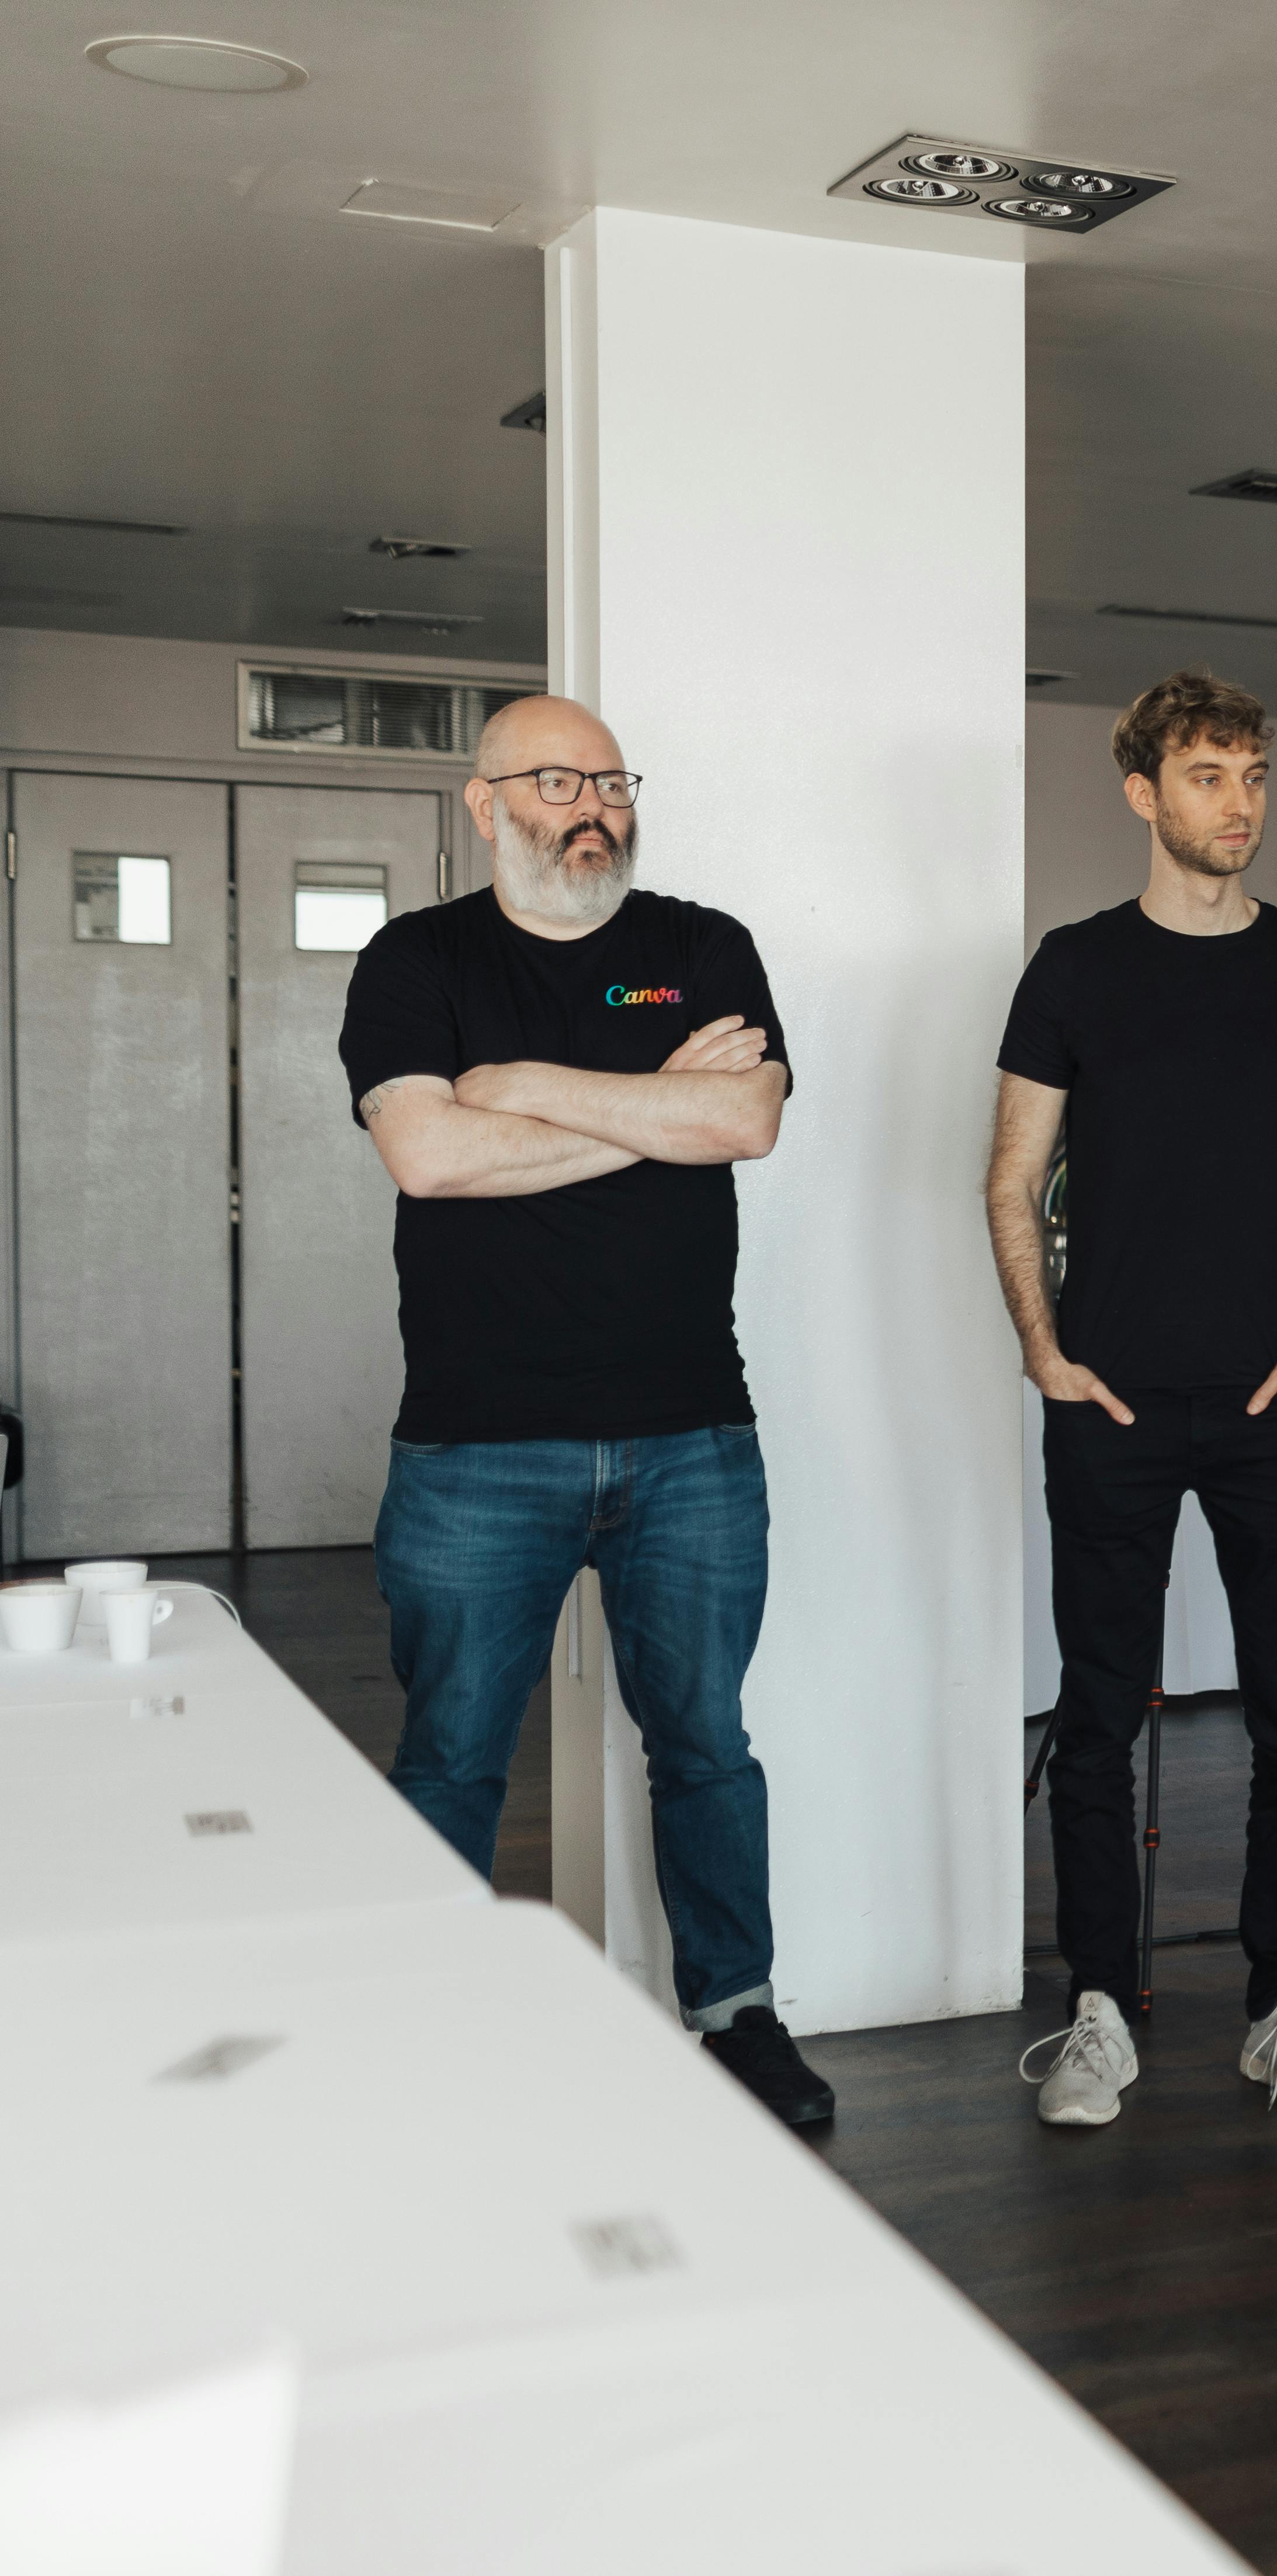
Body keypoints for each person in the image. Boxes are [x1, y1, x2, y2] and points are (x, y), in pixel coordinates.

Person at [340, 695, 831, 2126]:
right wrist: (642, 1109)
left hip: (691, 1433)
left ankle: (735, 2014)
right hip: (475, 1443)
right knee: (450, 1750)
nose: (592, 804)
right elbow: (427, 1159)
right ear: (482, 802)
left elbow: (742, 1121)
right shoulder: (415, 958)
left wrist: (530, 1089)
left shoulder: (700, 946)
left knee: (704, 1746)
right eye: (556, 779)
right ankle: (423, 2013)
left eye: (610, 778)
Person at [986, 669, 1277, 2130]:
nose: (1240, 802)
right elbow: (1009, 1172)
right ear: (1143, 793)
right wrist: (1043, 1351)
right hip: (1109, 1402)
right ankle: (1099, 2009)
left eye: (1253, 774)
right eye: (1211, 774)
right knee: (1096, 1714)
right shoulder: (1075, 967)